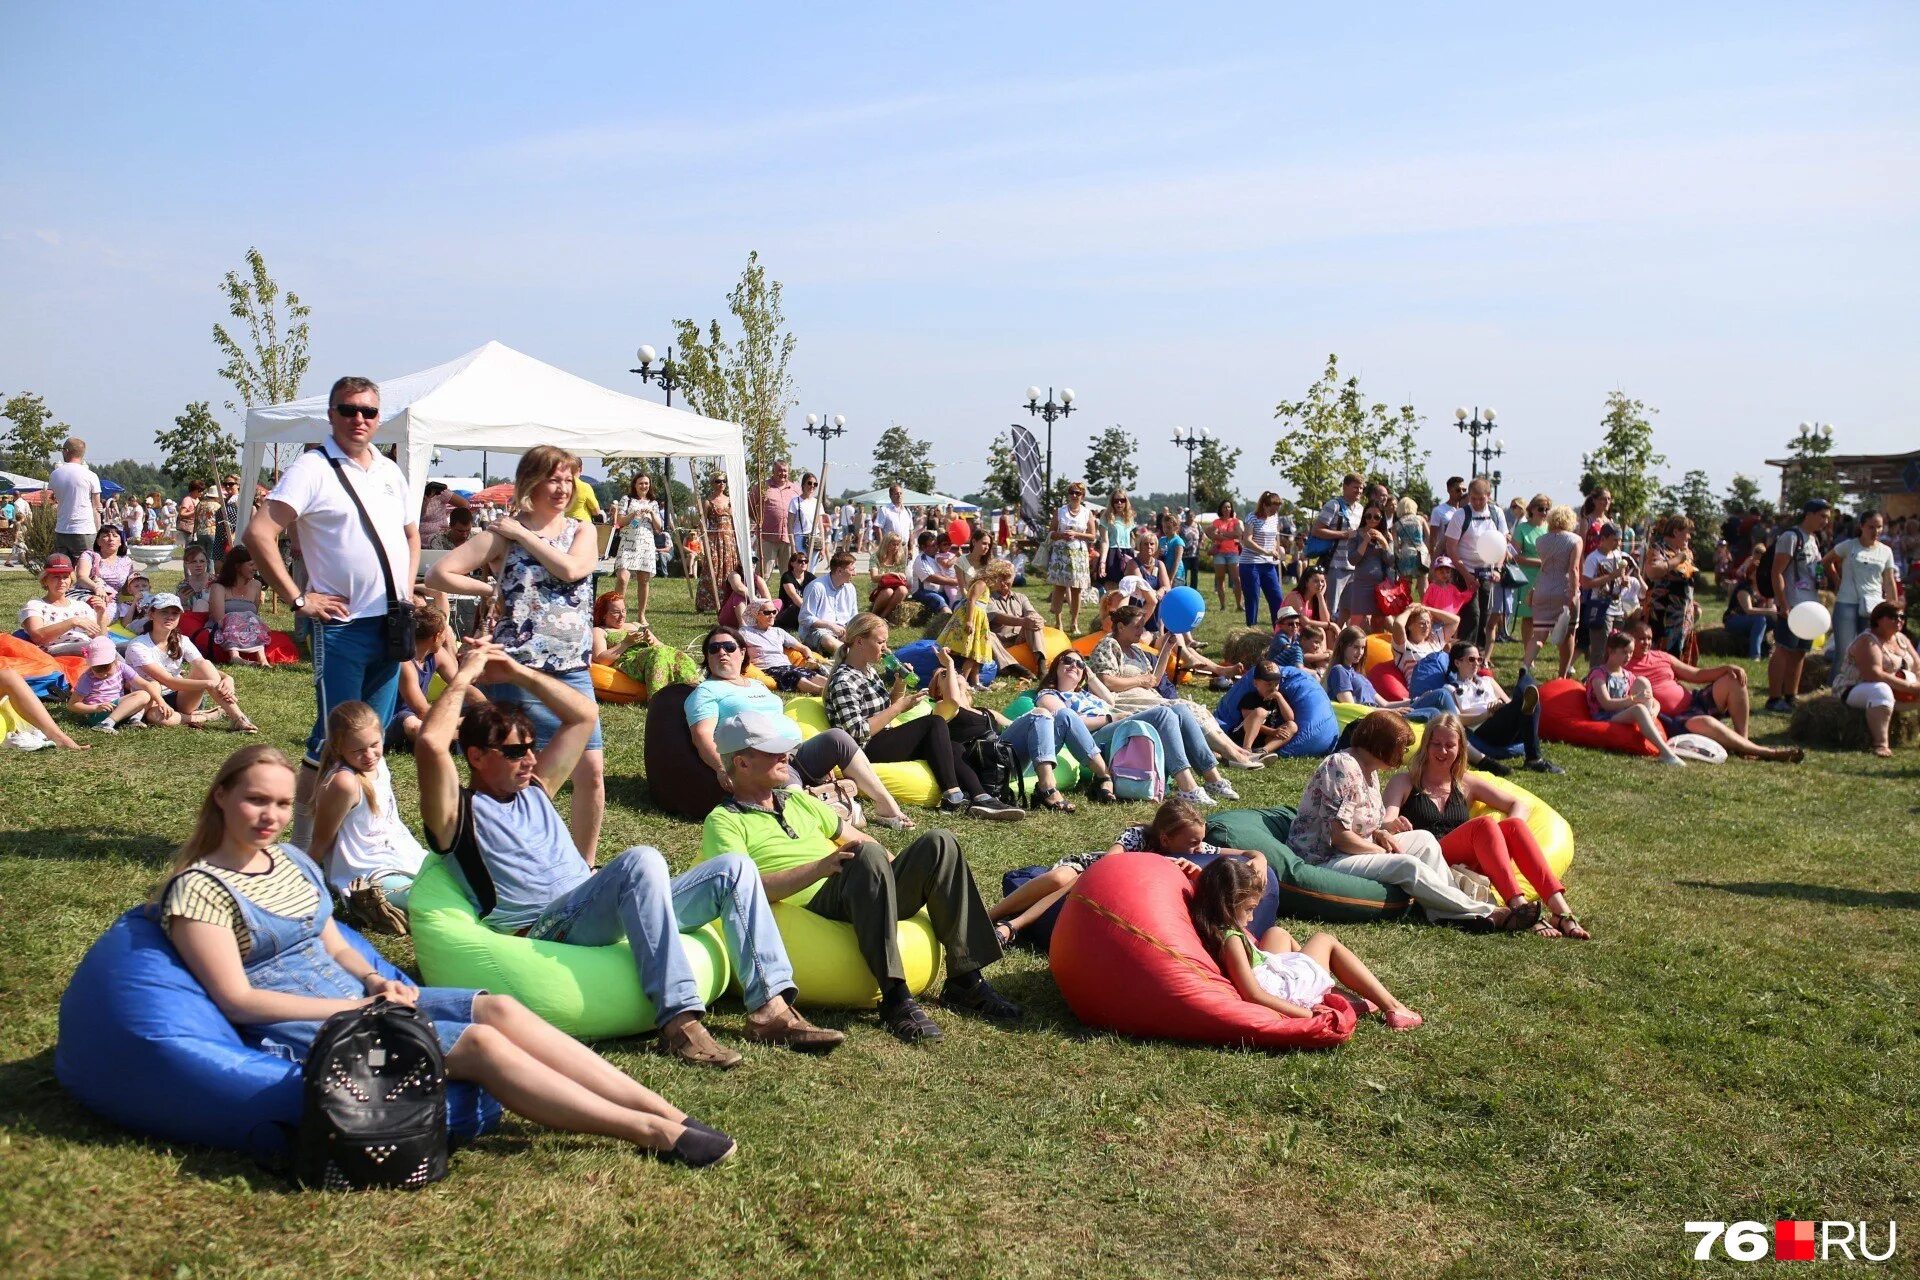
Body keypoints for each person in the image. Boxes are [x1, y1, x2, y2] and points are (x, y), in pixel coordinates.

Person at [160, 744, 738, 1166]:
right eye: (256, 801)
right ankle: (647, 1131)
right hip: (306, 1025)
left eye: (284, 804)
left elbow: (330, 939)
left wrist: (371, 977)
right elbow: (237, 999)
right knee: (484, 1043)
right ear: (221, 796)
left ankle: (667, 1109)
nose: (271, 816)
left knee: (501, 1008)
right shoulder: (201, 889)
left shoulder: (292, 863)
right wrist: (354, 1011)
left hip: (356, 1000)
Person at [418, 641, 841, 1068]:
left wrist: (515, 671)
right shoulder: (458, 814)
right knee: (642, 860)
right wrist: (464, 676)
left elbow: (583, 715)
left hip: (595, 909)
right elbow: (431, 746)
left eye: (530, 747)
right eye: (513, 752)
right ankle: (679, 1023)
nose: (530, 759)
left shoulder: (536, 789)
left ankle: (771, 1010)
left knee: (735, 868)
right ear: (475, 756)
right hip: (546, 927)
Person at [702, 711, 1018, 1044]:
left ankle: (966, 981)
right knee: (865, 857)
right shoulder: (724, 822)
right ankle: (895, 998)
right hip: (814, 903)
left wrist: (901, 868)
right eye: (772, 751)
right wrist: (821, 868)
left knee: (940, 843)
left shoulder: (797, 800)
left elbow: (856, 836)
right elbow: (743, 891)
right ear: (742, 763)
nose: (786, 756)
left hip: (860, 883)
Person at [246, 376, 419, 848]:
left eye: (367, 411)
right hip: (341, 627)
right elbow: (259, 534)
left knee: (373, 738)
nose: (358, 419)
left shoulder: (388, 470)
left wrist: (405, 590)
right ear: (331, 415)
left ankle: (368, 836)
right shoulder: (312, 468)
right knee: (332, 738)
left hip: (390, 624)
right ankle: (306, 844)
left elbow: (411, 535)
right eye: (348, 410)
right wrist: (300, 598)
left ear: (379, 417)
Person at [428, 446, 605, 859]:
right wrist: (491, 587)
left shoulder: (581, 531)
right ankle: (507, 855)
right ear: (532, 481)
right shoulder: (498, 537)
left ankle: (585, 865)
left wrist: (524, 536)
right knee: (517, 773)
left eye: (568, 480)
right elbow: (440, 572)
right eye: (553, 479)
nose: (562, 488)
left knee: (592, 774)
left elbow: (572, 570)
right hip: (517, 668)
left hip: (572, 666)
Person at [1287, 710, 1513, 928]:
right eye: (1401, 747)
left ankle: (1445, 911)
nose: (1404, 753)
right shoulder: (1341, 766)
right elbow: (1338, 836)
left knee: (1424, 839)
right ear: (1383, 744)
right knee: (1407, 864)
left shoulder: (1370, 771)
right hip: (1325, 857)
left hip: (1350, 850)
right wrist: (1383, 852)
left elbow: (1361, 822)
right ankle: (1481, 911)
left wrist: (1380, 832)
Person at [685, 624, 914, 830]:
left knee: (837, 737)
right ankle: (824, 813)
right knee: (795, 802)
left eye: (728, 647)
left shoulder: (756, 685)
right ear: (707, 657)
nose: (722, 653)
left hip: (794, 752)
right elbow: (702, 736)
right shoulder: (707, 692)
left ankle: (886, 806)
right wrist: (721, 769)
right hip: (760, 761)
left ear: (742, 652)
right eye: (714, 649)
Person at [1384, 715, 1589, 939]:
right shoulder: (1405, 781)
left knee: (1512, 826)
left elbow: (1517, 804)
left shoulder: (1465, 782)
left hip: (1465, 862)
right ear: (1426, 745)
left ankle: (1561, 910)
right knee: (1484, 824)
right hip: (1430, 855)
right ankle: (1518, 906)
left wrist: (1501, 838)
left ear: (1460, 748)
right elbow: (1385, 819)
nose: (1442, 751)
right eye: (1436, 744)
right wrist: (1393, 823)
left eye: (1450, 745)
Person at [823, 614, 1024, 820]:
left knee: (951, 743)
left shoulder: (868, 671)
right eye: (880, 642)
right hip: (863, 749)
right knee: (934, 723)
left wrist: (900, 685)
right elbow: (856, 733)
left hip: (882, 737)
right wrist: (899, 708)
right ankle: (952, 795)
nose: (886, 648)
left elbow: (884, 707)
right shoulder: (844, 680)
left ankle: (982, 798)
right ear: (859, 642)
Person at [1191, 857, 1422, 1028]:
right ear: (1227, 904)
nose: (1251, 918)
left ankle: (1331, 992)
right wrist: (1307, 1015)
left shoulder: (1215, 925)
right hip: (1284, 991)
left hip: (1270, 973)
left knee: (1277, 933)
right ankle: (1394, 1007)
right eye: (1249, 909)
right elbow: (1253, 995)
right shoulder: (1231, 941)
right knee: (1325, 940)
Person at [989, 796, 1250, 941]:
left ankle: (1010, 926)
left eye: (1201, 841)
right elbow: (1109, 863)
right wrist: (1162, 862)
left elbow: (1244, 854)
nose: (1199, 847)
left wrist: (1257, 858)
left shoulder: (1196, 851)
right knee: (1060, 879)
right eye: (1193, 842)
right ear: (1166, 839)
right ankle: (997, 920)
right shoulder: (1137, 836)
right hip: (1089, 869)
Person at [1034, 650, 1246, 805]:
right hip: (1092, 741)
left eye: (1080, 664)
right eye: (1068, 661)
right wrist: (1110, 718)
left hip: (1115, 727)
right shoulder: (1049, 695)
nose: (1074, 666)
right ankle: (1187, 786)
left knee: (1181, 709)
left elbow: (1109, 698)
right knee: (1163, 713)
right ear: (1056, 666)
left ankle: (1212, 778)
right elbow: (1070, 722)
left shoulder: (1087, 694)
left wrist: (1088, 672)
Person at [1087, 603, 1263, 769]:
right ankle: (1234, 755)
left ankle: (1237, 751)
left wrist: (1166, 649)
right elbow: (1106, 682)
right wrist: (1140, 681)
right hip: (1123, 700)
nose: (1142, 631)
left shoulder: (1136, 650)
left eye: (1143, 626)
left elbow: (1154, 680)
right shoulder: (1109, 645)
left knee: (1194, 708)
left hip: (1146, 696)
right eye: (1137, 627)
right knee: (1184, 708)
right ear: (1120, 627)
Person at [308, 700, 430, 933]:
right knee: (431, 902)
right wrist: (303, 882)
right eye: (358, 750)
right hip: (368, 872)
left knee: (461, 882)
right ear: (338, 748)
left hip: (403, 856)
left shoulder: (378, 763)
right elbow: (320, 842)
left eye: (375, 744)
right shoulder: (344, 782)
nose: (369, 755)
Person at [1620, 611, 1802, 762]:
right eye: (1641, 639)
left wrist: (1726, 668)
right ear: (1629, 639)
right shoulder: (1624, 666)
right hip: (1676, 719)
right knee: (1706, 722)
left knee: (1734, 679)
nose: (1646, 643)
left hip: (1695, 701)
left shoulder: (1661, 656)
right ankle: (1767, 752)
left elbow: (1696, 674)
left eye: (1649, 638)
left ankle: (1743, 742)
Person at [124, 594, 259, 732]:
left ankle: (239, 718)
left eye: (175, 613)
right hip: (151, 701)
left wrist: (227, 678)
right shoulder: (138, 646)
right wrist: (209, 683)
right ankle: (204, 717)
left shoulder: (182, 640)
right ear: (151, 614)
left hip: (182, 697)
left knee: (204, 663)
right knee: (155, 717)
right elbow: (168, 681)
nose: (170, 617)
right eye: (164, 612)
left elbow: (202, 665)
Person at [1425, 640, 1561, 774]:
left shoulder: (1487, 681)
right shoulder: (1450, 689)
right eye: (1471, 659)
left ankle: (1525, 681)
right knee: (1523, 695)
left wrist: (1501, 706)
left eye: (1479, 659)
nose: (1476, 663)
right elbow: (1457, 719)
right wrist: (1486, 714)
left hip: (1503, 719)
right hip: (1484, 728)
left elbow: (1509, 702)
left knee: (1525, 689)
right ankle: (1533, 758)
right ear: (1457, 662)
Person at [1764, 499, 1833, 712]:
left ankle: (1790, 696)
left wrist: (1821, 578)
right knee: (1784, 649)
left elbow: (1816, 567)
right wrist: (1783, 603)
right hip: (1792, 604)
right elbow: (1777, 572)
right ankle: (1774, 698)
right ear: (1809, 514)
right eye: (1822, 516)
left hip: (1809, 606)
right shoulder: (1790, 537)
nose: (1825, 521)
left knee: (1800, 652)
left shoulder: (1814, 539)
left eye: (1827, 518)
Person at [1585, 632, 1690, 766]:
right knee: (1639, 709)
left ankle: (1648, 727)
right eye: (1624, 652)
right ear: (1610, 650)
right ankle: (1666, 753)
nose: (1628, 657)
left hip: (1622, 712)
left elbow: (1653, 700)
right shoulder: (1599, 674)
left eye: (1630, 652)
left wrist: (1653, 711)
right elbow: (1606, 704)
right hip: (1605, 716)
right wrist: (1634, 699)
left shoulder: (1627, 675)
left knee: (1643, 681)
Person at [1836, 601, 1920, 757]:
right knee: (1881, 689)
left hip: (1898, 690)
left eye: (1902, 616)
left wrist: (1917, 684)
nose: (1900, 620)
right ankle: (1880, 744)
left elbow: (1918, 666)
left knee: (1886, 689)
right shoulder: (1867, 640)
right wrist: (1910, 687)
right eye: (1894, 616)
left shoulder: (1901, 638)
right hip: (1855, 688)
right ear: (1878, 619)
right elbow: (1874, 674)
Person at [1825, 510, 1899, 684]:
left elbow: (1889, 581)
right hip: (1846, 603)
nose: (1875, 531)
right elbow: (1826, 561)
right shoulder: (1848, 546)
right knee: (1843, 652)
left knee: (1870, 651)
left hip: (1874, 606)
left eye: (1879, 527)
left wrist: (1894, 608)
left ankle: (1861, 691)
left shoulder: (1886, 551)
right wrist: (1836, 580)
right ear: (1862, 526)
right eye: (1871, 527)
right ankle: (1831, 692)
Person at [1325, 625, 1459, 721]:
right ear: (1343, 646)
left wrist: (1417, 700)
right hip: (1372, 718)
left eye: (1362, 648)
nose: (1360, 653)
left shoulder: (1360, 676)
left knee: (1437, 704)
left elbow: (1385, 704)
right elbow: (1350, 708)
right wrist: (1390, 713)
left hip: (1382, 711)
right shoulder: (1339, 671)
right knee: (1438, 701)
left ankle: (1462, 740)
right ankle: (1463, 739)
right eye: (1355, 647)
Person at [1441, 477, 1508, 652]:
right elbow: (1451, 547)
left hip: (1487, 571)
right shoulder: (1461, 515)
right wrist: (1465, 574)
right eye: (1473, 498)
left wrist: (1498, 569)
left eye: (1481, 498)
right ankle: (1464, 653)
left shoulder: (1496, 513)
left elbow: (1502, 544)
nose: (1477, 502)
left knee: (1484, 615)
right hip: (1465, 570)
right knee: (1472, 615)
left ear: (1488, 495)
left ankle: (1478, 654)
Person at [1521, 504, 1582, 678]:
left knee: (1539, 634)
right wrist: (1574, 592)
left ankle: (1525, 665)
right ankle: (1562, 675)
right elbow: (1574, 569)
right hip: (1563, 589)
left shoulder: (1541, 540)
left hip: (1542, 587)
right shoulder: (1575, 540)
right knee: (1569, 633)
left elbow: (1544, 566)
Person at [66, 634, 169, 733]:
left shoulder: (121, 667)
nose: (104, 675)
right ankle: (106, 724)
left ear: (115, 660)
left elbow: (145, 684)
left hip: (118, 708)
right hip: (100, 713)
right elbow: (72, 705)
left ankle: (134, 718)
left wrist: (161, 701)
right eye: (97, 671)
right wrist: (95, 708)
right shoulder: (87, 678)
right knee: (144, 694)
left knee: (154, 685)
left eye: (107, 669)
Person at [19, 554, 105, 655]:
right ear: (45, 580)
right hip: (55, 651)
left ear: (71, 580)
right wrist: (73, 622)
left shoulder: (81, 605)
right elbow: (38, 637)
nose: (61, 581)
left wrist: (101, 614)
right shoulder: (34, 605)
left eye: (65, 577)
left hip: (90, 649)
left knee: (121, 646)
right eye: (56, 577)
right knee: (100, 649)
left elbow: (100, 638)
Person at [740, 597, 828, 694]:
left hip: (787, 665)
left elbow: (803, 648)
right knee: (795, 676)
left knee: (811, 674)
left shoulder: (778, 631)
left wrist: (810, 658)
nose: (772, 615)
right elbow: (736, 649)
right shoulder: (746, 632)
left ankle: (833, 687)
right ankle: (823, 692)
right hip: (769, 668)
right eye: (767, 612)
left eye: (774, 612)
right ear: (756, 614)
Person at [1577, 524, 1635, 669]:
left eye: (1620, 540)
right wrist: (1610, 576)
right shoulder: (1593, 558)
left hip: (1617, 607)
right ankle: (1595, 678)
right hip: (1601, 608)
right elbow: (1585, 583)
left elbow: (1619, 576)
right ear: (1603, 539)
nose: (1618, 543)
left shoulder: (1617, 554)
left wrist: (1623, 580)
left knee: (1617, 647)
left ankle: (1611, 677)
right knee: (1600, 649)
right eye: (1615, 540)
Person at [1643, 515, 1699, 658]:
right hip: (1663, 615)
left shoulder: (1685, 552)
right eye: (1687, 532)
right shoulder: (1658, 548)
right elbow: (1653, 572)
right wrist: (1678, 559)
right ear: (1675, 532)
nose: (1689, 537)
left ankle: (1675, 679)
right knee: (1661, 654)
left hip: (1683, 616)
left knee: (1678, 654)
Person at [1309, 474, 1365, 617]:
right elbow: (1316, 530)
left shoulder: (1361, 509)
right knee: (1331, 608)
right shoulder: (1333, 505)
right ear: (1345, 487)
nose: (1359, 491)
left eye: (1361, 488)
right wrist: (1343, 534)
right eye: (1355, 487)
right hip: (1335, 565)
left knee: (1348, 610)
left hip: (1353, 567)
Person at [612, 472, 662, 628]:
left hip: (646, 544)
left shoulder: (653, 502)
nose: (644, 486)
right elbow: (619, 522)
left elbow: (659, 528)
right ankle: (617, 612)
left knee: (644, 580)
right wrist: (634, 514)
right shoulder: (626, 500)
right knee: (622, 577)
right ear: (635, 484)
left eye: (646, 483)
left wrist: (652, 513)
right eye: (641, 483)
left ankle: (641, 615)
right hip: (628, 542)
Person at [209, 543, 273, 665]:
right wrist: (240, 621)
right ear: (237, 566)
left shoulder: (256, 585)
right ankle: (235, 656)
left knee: (251, 616)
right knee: (234, 616)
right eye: (251, 564)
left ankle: (262, 659)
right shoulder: (219, 587)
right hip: (223, 628)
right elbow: (219, 619)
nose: (255, 568)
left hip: (247, 628)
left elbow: (254, 614)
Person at [1047, 481, 1098, 633]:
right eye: (1072, 492)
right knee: (1059, 588)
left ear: (1082, 496)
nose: (1074, 495)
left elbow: (1092, 536)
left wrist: (1077, 534)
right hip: (1061, 554)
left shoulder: (1086, 513)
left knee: (1077, 590)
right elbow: (1051, 533)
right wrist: (1062, 535)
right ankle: (1058, 622)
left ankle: (1074, 622)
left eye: (1078, 493)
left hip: (1079, 555)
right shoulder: (1060, 511)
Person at [1216, 659, 1296, 752]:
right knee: (1260, 712)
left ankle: (1263, 751)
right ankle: (1246, 749)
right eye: (1269, 684)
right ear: (1255, 683)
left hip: (1263, 739)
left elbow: (1290, 718)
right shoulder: (1250, 698)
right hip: (1242, 735)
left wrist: (1279, 697)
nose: (1273, 688)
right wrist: (1273, 732)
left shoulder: (1278, 698)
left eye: (1276, 684)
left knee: (1292, 726)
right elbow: (1249, 722)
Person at [1338, 504, 1393, 629]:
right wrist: (1365, 541)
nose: (1372, 520)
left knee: (1378, 621)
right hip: (1361, 585)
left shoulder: (1387, 535)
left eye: (1376, 517)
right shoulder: (1355, 535)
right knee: (1356, 621)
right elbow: (1353, 560)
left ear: (1381, 518)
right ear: (1364, 517)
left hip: (1380, 587)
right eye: (1368, 516)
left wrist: (1384, 542)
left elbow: (1390, 561)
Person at [48, 437, 103, 560]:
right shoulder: (91, 476)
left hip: (61, 529)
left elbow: (52, 499)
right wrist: (98, 531)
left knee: (64, 569)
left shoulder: (55, 474)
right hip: (84, 528)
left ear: (66, 451)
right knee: (86, 568)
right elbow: (96, 507)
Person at [1239, 490, 1289, 626]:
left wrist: (1276, 549)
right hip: (1250, 564)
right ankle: (1251, 630)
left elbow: (1272, 537)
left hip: (1268, 564)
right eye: (1272, 509)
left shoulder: (1275, 518)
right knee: (1253, 598)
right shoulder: (1252, 517)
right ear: (1265, 506)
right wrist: (1265, 552)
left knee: (1277, 598)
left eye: (1277, 509)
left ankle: (1278, 630)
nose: (1275, 512)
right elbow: (1247, 540)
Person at [799, 550, 860, 655]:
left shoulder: (850, 588)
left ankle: (855, 652)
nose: (855, 573)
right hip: (818, 631)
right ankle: (851, 656)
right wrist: (830, 626)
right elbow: (804, 618)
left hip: (843, 629)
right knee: (828, 640)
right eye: (852, 570)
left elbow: (853, 616)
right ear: (839, 571)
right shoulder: (816, 587)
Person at [693, 473, 737, 615]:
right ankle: (705, 602)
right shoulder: (708, 502)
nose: (721, 484)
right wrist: (702, 540)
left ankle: (727, 601)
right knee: (712, 569)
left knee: (729, 569)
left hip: (729, 540)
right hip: (714, 540)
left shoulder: (731, 501)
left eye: (724, 481)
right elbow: (702, 524)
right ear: (712, 483)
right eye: (718, 481)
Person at [1721, 561, 1777, 661]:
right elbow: (1749, 610)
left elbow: (1772, 609)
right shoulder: (1744, 588)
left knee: (1778, 620)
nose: (1761, 575)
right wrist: (1770, 611)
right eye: (1757, 573)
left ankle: (1777, 652)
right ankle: (1755, 656)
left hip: (1754, 620)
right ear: (1750, 576)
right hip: (1734, 620)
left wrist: (1776, 614)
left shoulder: (1766, 589)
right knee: (1760, 620)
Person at [753, 459, 801, 575]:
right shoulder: (763, 487)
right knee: (763, 574)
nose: (782, 473)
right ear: (773, 471)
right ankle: (759, 594)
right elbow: (751, 506)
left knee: (789, 574)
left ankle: (786, 593)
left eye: (785, 471)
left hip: (789, 538)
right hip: (768, 537)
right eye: (779, 470)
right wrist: (757, 523)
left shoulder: (796, 489)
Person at [1389, 603, 1460, 680]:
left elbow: (1455, 620)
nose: (1427, 626)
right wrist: (1409, 610)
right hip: (1424, 689)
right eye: (1422, 623)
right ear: (1409, 626)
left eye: (1429, 622)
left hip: (1444, 684)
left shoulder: (1435, 640)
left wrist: (1425, 608)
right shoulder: (1404, 647)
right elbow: (1398, 624)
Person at [75, 524, 135, 611]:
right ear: (98, 541)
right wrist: (97, 588)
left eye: (115, 536)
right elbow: (81, 577)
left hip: (110, 601)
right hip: (86, 595)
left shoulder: (126, 561)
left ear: (120, 542)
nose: (111, 539)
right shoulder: (89, 555)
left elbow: (127, 589)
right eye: (106, 536)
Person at [1206, 498, 1245, 614]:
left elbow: (1238, 534)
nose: (1227, 509)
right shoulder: (1217, 522)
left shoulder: (1235, 521)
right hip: (1219, 553)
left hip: (1233, 553)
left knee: (1237, 580)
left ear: (1231, 509)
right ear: (1221, 509)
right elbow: (1208, 532)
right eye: (1224, 507)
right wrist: (1224, 537)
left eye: (1229, 507)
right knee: (1220, 579)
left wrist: (1221, 534)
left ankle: (1239, 605)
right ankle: (1223, 606)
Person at [906, 530, 957, 616]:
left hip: (942, 591)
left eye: (937, 544)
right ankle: (947, 623)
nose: (937, 547)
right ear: (923, 547)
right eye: (933, 546)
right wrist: (955, 582)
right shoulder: (921, 560)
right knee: (940, 602)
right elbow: (931, 578)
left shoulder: (939, 557)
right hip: (923, 592)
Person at [868, 532, 910, 620]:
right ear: (886, 544)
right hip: (879, 587)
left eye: (898, 545)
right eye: (893, 544)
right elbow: (874, 578)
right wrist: (889, 574)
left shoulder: (900, 557)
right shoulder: (875, 557)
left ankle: (883, 617)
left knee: (903, 590)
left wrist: (902, 575)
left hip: (896, 585)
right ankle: (872, 615)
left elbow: (903, 575)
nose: (896, 547)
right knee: (888, 591)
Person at [1392, 496, 1429, 598]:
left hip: (1406, 553)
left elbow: (1396, 546)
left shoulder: (1396, 525)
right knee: (1423, 584)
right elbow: (1428, 537)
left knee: (1407, 585)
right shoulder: (1420, 519)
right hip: (1421, 552)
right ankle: (1425, 608)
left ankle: (1407, 608)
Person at [1098, 491, 1137, 587]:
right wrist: (1102, 562)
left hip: (1128, 554)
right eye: (1116, 501)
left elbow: (1132, 540)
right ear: (1112, 502)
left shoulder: (1129, 518)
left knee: (1127, 588)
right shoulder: (1106, 518)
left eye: (1122, 500)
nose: (1119, 503)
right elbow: (1104, 541)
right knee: (1112, 588)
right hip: (1112, 553)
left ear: (1126, 502)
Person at [786, 472, 824, 565]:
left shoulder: (817, 502)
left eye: (815, 484)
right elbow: (790, 525)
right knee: (801, 566)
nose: (812, 486)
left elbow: (821, 526)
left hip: (815, 539)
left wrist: (823, 546)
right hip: (800, 538)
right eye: (809, 483)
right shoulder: (795, 501)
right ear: (803, 484)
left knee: (811, 569)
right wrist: (793, 545)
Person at [775, 550, 813, 631]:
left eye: (805, 561)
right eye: (800, 561)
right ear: (792, 563)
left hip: (804, 609)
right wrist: (809, 610)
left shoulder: (810, 577)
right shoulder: (787, 576)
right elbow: (794, 596)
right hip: (789, 611)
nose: (803, 563)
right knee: (797, 607)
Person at [1428, 477, 1466, 553]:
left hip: (1464, 554)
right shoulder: (1438, 511)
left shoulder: (1466, 510)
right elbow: (1432, 539)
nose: (1462, 493)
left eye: (1464, 490)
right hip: (1445, 555)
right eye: (1458, 490)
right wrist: (1433, 558)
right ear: (1449, 490)